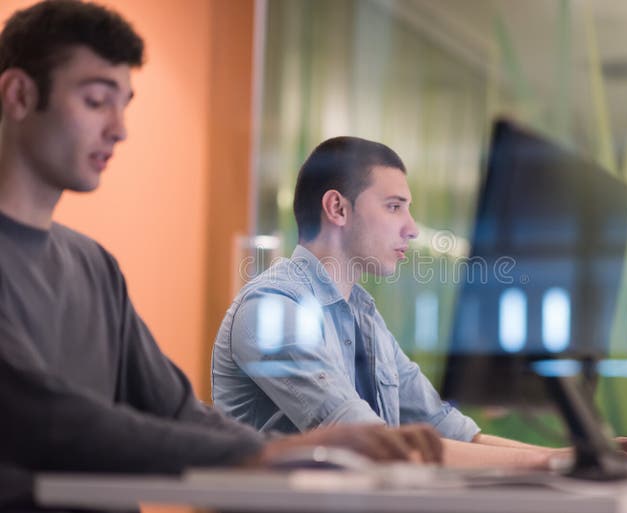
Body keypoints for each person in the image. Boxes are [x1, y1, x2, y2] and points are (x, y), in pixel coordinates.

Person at [0, 2, 442, 509]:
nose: (119, 128)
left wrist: (292, 452)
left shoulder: (93, 267)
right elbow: (41, 418)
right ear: (20, 94)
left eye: (123, 104)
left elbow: (177, 411)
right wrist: (268, 455)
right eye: (97, 100)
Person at [212, 136, 627, 468]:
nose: (411, 228)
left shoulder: (363, 315)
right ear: (338, 209)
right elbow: (376, 446)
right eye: (394, 206)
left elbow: (446, 429)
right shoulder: (274, 310)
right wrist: (554, 463)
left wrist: (576, 455)